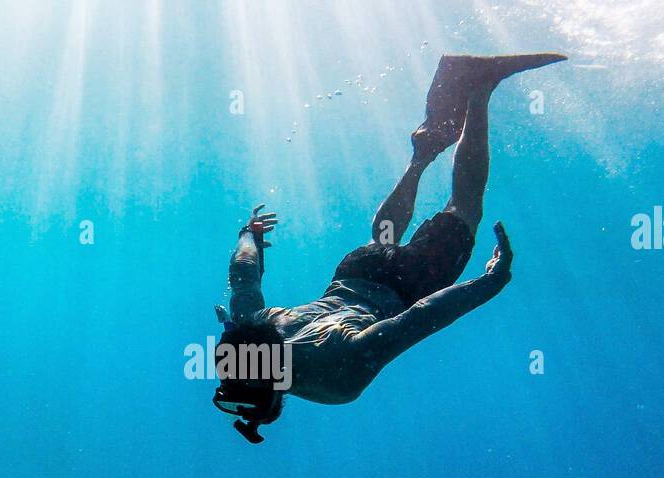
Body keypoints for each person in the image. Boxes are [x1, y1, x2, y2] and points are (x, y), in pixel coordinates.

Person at [213, 53, 566, 444]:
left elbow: (419, 316)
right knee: (383, 239)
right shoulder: (254, 324)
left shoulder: (339, 378)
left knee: (464, 209)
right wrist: (250, 233)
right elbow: (244, 273)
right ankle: (422, 156)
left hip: (408, 286)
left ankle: (480, 89)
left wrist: (489, 283)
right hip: (355, 271)